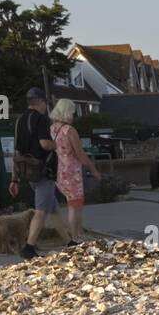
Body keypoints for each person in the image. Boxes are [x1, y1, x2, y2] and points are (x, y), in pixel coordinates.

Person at [9, 87, 66, 259]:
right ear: (41, 102)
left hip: (28, 171)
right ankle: (29, 247)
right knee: (41, 211)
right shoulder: (41, 119)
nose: (46, 106)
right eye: (45, 103)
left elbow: (17, 152)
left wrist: (15, 179)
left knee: (53, 208)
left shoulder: (20, 120)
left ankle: (69, 241)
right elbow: (44, 144)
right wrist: (56, 145)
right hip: (44, 170)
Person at [49, 99, 101, 245]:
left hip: (58, 170)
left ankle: (77, 235)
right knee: (75, 205)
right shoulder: (70, 131)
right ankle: (75, 236)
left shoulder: (53, 129)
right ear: (67, 112)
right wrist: (94, 170)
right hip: (72, 171)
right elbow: (80, 154)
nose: (74, 115)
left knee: (71, 202)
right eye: (72, 112)